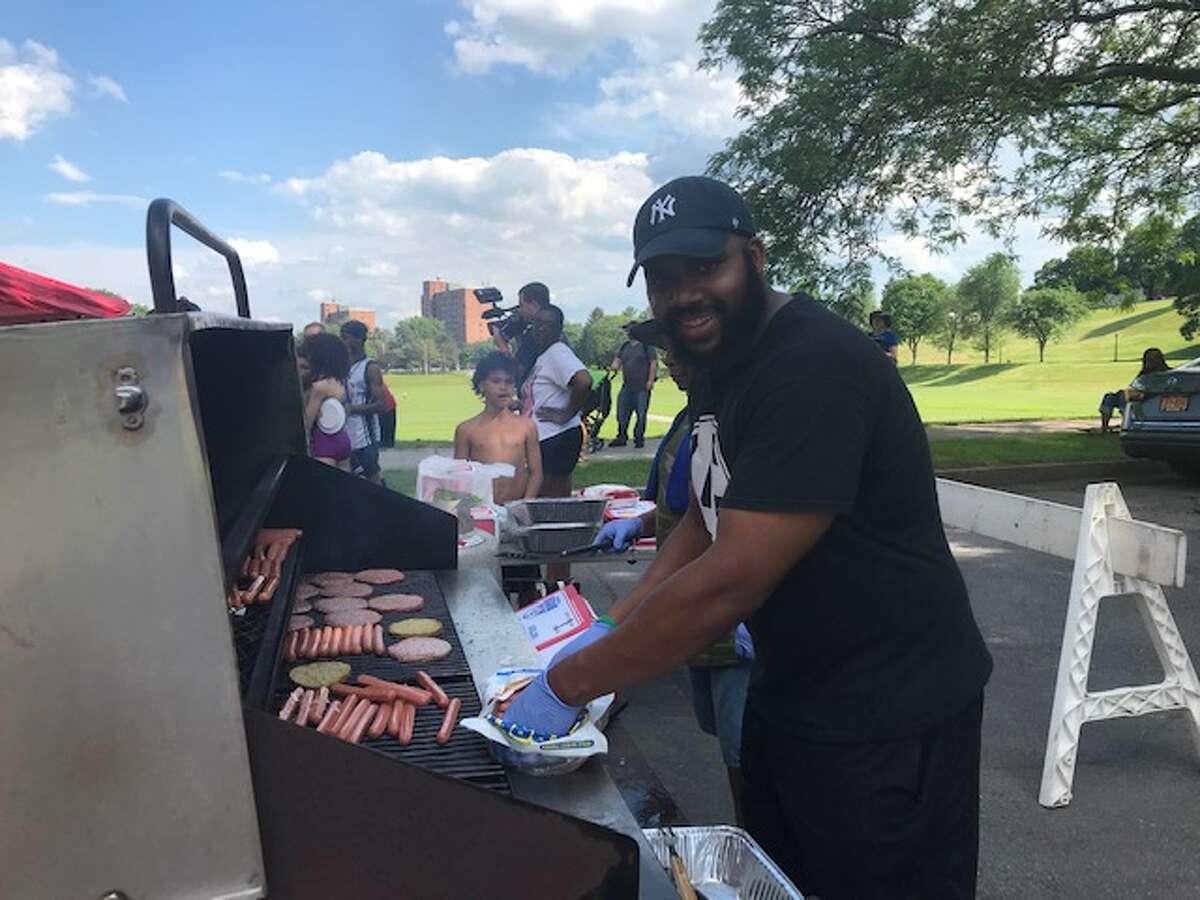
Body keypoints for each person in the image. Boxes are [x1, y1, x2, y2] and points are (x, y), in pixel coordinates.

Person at [502, 176, 992, 899]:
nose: (684, 295)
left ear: (755, 257)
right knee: (784, 883)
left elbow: (736, 576)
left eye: (707, 268)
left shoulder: (811, 366)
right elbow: (707, 511)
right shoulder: (723, 363)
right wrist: (618, 619)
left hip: (890, 711)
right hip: (793, 690)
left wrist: (570, 682)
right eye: (664, 280)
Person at [596, 347, 753, 823]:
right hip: (695, 612)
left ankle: (760, 844)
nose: (672, 366)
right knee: (726, 741)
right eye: (668, 356)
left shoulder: (742, 421)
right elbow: (682, 505)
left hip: (733, 612)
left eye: (683, 356)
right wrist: (637, 521)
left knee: (748, 750)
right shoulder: (691, 419)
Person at [522, 303, 593, 582]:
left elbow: (584, 382)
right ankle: (554, 578)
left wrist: (566, 413)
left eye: (547, 325)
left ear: (559, 329)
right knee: (545, 516)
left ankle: (559, 583)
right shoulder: (546, 356)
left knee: (556, 518)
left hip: (557, 441)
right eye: (536, 325)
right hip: (548, 440)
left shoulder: (558, 353)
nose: (540, 330)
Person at [454, 352, 544, 504]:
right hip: (481, 509)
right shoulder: (466, 430)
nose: (503, 387)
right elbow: (459, 478)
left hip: (517, 508)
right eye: (496, 381)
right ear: (481, 385)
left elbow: (536, 473)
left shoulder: (526, 427)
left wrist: (525, 504)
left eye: (509, 382)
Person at [339, 320, 388, 484]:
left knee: (371, 474)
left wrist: (352, 409)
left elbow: (381, 404)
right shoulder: (340, 366)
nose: (342, 342)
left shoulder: (370, 367)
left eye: (345, 338)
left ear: (358, 339)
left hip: (364, 434)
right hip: (343, 431)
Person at [296, 333, 352, 470]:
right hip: (343, 441)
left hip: (323, 445)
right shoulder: (345, 385)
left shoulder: (320, 388)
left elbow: (306, 426)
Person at [493, 282, 552, 390]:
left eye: (521, 305)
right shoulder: (552, 330)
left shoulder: (535, 335)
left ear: (533, 305)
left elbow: (515, 373)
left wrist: (502, 345)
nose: (520, 310)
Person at [1099, 347, 1170, 433]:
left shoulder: (1167, 374)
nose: (1148, 362)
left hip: (1148, 398)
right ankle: (1104, 427)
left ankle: (1127, 423)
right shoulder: (1144, 373)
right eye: (1147, 359)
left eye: (1151, 359)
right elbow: (1135, 386)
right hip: (1137, 394)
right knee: (1109, 397)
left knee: (1126, 400)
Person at [609, 329, 657, 448]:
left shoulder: (647, 346)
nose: (628, 333)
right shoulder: (625, 346)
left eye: (630, 331)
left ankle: (639, 439)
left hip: (642, 386)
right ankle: (621, 437)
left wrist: (650, 380)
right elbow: (617, 361)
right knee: (622, 413)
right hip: (626, 386)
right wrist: (614, 366)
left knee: (641, 414)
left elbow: (653, 362)